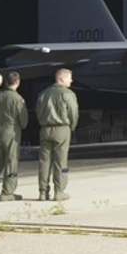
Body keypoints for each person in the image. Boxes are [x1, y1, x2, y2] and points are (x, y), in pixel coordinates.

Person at [36, 68, 79, 201]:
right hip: (62, 129)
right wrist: (71, 127)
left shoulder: (43, 93)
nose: (71, 80)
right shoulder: (68, 94)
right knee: (61, 162)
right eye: (69, 77)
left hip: (45, 129)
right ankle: (59, 191)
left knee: (44, 162)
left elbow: (38, 111)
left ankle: (43, 192)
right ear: (61, 79)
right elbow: (73, 113)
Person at [0, 71, 27, 201]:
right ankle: (7, 191)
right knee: (11, 161)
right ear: (18, 82)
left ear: (5, 82)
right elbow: (23, 120)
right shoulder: (17, 98)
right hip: (11, 131)